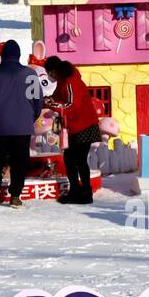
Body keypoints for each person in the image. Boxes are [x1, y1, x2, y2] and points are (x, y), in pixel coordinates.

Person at [0, 40, 42, 208]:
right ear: (18, 56)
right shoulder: (30, 75)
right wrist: (30, 118)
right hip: (22, 128)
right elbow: (37, 101)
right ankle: (15, 196)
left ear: (2, 55)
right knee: (20, 162)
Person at [43, 56, 100, 204]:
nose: (50, 76)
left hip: (84, 126)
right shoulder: (63, 80)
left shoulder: (70, 81)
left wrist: (52, 105)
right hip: (76, 126)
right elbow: (57, 96)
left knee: (78, 160)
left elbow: (71, 105)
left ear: (54, 70)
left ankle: (84, 192)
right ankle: (77, 189)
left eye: (49, 73)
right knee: (71, 159)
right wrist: (48, 100)